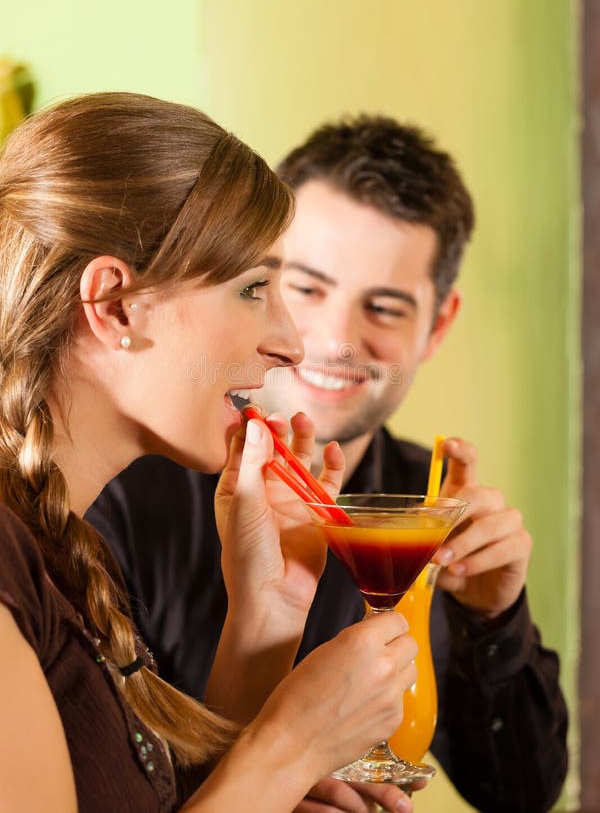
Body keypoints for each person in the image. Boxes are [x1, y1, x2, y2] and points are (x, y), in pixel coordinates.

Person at [87, 115, 569, 813]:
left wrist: (493, 621)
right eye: (306, 288)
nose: (334, 339)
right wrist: (274, 780)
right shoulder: (121, 482)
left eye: (385, 307)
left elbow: (522, 793)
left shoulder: (429, 508)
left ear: (437, 325)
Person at [0, 94, 424, 813]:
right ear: (116, 305)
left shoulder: (68, 553)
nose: (292, 343)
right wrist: (291, 746)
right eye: (254, 288)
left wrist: (267, 609)